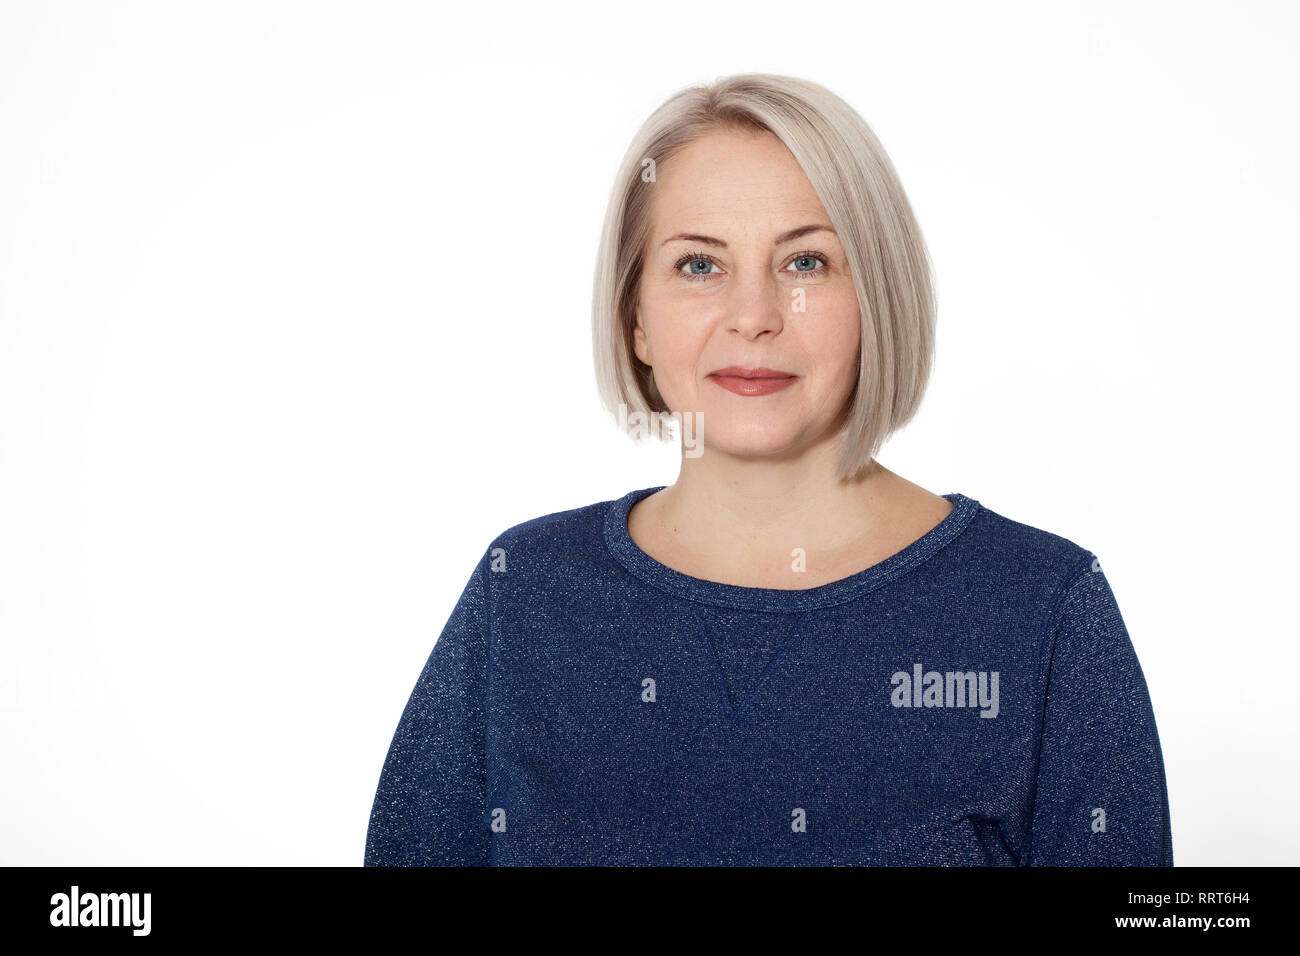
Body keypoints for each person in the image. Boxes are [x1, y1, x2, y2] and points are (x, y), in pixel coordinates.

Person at [364, 73, 1173, 866]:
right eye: (698, 265)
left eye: (807, 264)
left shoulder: (1042, 610)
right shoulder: (526, 593)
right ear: (635, 319)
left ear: (877, 299)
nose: (753, 317)